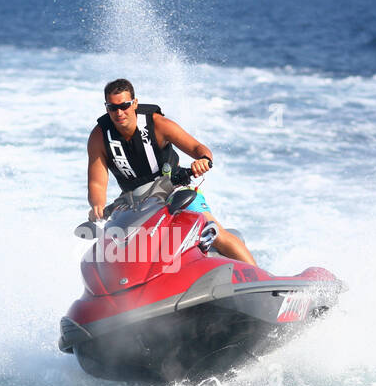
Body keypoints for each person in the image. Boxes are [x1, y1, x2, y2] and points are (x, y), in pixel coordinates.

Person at [86, 78, 257, 266]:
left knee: (213, 230)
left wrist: (203, 161)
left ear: (134, 103)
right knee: (116, 251)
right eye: (112, 107)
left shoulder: (158, 124)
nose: (119, 112)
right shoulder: (99, 137)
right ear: (106, 107)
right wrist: (97, 205)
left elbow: (198, 148)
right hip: (134, 202)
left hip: (174, 191)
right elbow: (97, 183)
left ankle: (262, 279)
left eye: (124, 106)